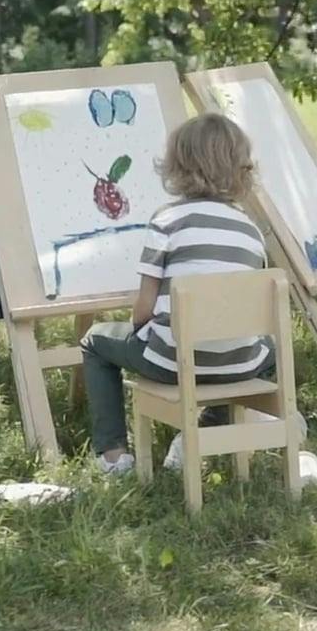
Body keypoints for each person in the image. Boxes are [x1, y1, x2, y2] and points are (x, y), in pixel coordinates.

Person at [79, 114, 278, 476]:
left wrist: (139, 330)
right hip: (241, 364)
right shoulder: (251, 231)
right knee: (269, 350)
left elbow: (145, 305)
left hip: (172, 361)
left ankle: (113, 455)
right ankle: (203, 430)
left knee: (94, 341)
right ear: (241, 169)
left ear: (177, 165)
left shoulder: (167, 221)